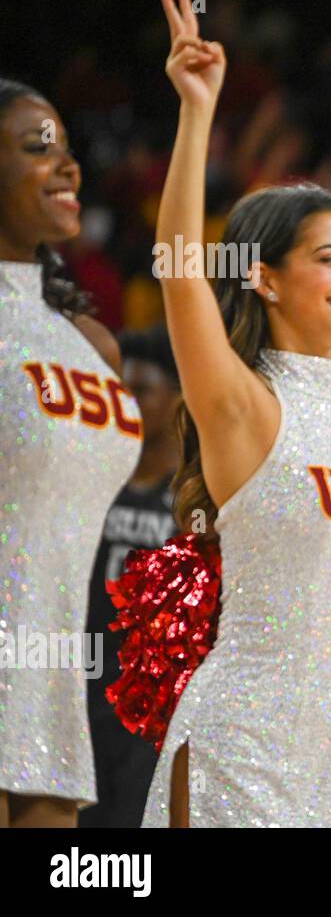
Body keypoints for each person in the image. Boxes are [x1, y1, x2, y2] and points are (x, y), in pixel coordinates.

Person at [138, 0, 331, 827]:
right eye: (327, 259)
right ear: (263, 276)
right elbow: (177, 270)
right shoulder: (243, 404)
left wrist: (317, 625)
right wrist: (198, 114)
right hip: (239, 743)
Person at [0, 78, 142, 828]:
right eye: (37, 148)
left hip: (53, 677)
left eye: (68, 150)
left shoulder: (93, 344)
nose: (69, 168)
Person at [81, 325, 181, 827]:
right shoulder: (91, 480)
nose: (126, 401)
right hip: (87, 686)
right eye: (120, 388)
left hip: (156, 707)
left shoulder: (195, 498)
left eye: (141, 390)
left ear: (178, 402)